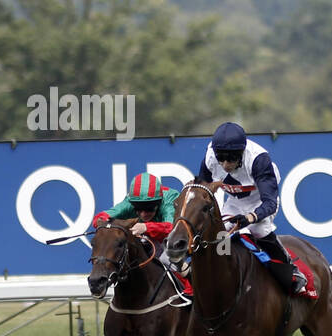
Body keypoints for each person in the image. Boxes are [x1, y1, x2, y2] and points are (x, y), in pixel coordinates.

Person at [195, 121, 308, 295]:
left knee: (259, 229)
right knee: (220, 232)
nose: (225, 164)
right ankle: (218, 273)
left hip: (259, 200)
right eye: (221, 158)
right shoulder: (210, 157)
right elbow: (202, 191)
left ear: (242, 153)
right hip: (234, 200)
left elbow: (270, 204)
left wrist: (250, 217)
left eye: (231, 158)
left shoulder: (258, 160)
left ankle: (291, 270)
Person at [93, 172, 180, 248]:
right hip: (145, 239)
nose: (143, 214)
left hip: (171, 241)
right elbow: (99, 218)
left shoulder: (169, 199)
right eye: (138, 209)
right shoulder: (129, 203)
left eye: (149, 209)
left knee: (169, 254)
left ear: (159, 202)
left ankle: (182, 267)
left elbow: (173, 228)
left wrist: (146, 227)